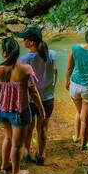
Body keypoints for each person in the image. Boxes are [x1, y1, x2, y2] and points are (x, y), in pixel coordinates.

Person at [0, 37, 45, 174]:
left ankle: (4, 165)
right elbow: (33, 91)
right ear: (18, 53)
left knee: (8, 138)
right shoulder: (25, 69)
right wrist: (41, 109)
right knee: (17, 144)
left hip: (2, 111)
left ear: (4, 53)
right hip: (19, 112)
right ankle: (15, 171)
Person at [17, 26, 55, 165]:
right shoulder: (52, 54)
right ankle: (41, 154)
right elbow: (54, 71)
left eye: (25, 39)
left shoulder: (24, 59)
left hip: (30, 99)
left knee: (29, 126)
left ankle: (27, 151)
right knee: (43, 128)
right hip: (48, 98)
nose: (23, 41)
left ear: (31, 42)